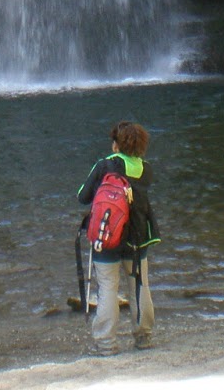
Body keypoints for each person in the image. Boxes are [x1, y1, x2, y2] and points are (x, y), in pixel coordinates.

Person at [76, 120, 159, 355]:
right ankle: (144, 337)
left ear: (116, 145)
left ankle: (106, 343)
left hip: (107, 235)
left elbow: (82, 196)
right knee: (140, 286)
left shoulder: (105, 166)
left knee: (108, 289)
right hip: (138, 237)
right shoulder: (146, 170)